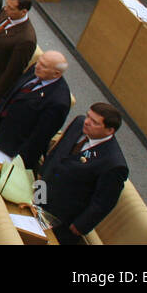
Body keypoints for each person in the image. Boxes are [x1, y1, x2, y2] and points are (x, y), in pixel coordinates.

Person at [38, 104, 129, 245]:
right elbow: (58, 151)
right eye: (88, 116)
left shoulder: (113, 164)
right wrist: (41, 175)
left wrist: (80, 227)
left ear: (110, 130)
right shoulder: (79, 123)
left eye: (94, 122)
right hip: (41, 193)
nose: (87, 122)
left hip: (62, 218)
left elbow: (104, 202)